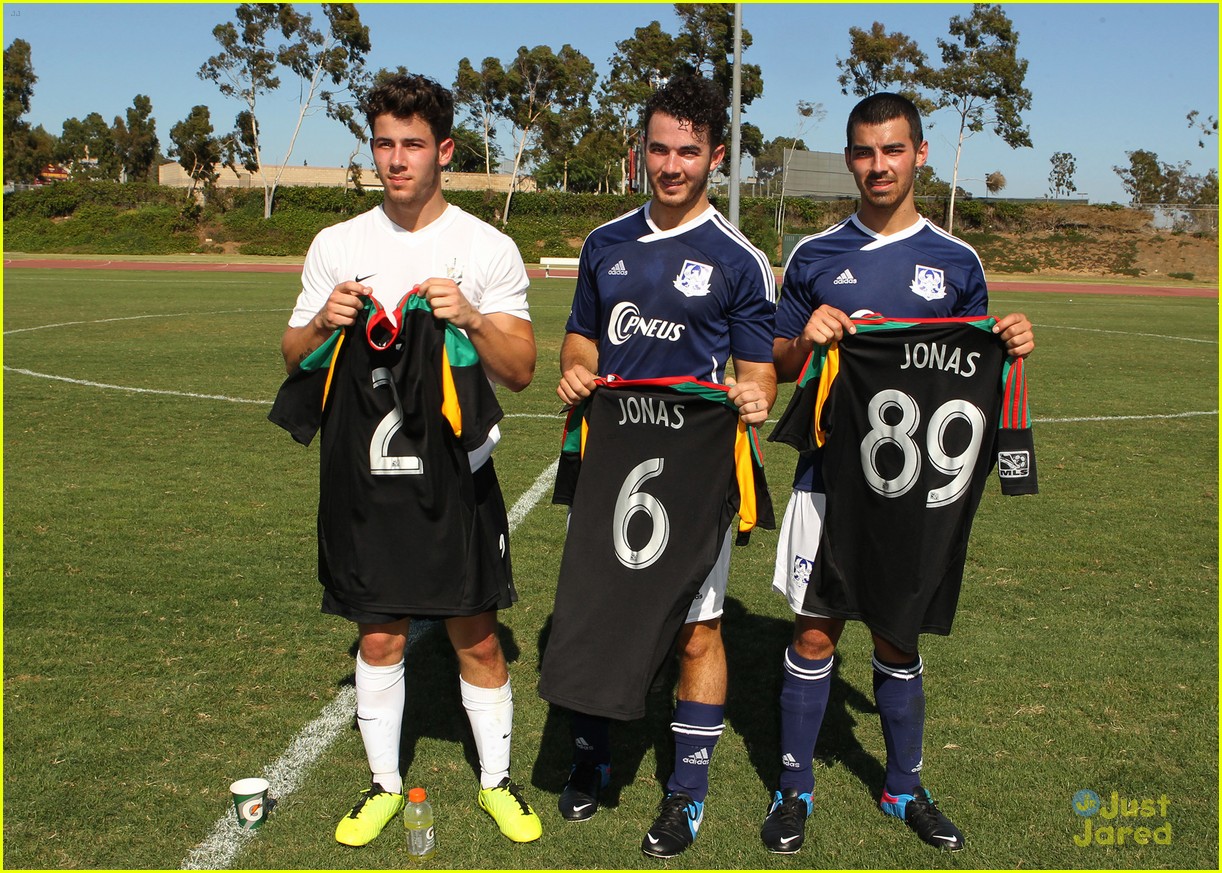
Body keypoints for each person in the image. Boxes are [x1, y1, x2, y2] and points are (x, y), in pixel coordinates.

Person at [759, 92, 1036, 854]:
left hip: (911, 492)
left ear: (918, 153)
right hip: (828, 481)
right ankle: (794, 789)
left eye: (891, 150)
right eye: (863, 151)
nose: (877, 165)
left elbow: (968, 363)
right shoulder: (816, 257)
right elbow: (778, 366)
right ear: (849, 157)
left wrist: (1008, 337)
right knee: (814, 635)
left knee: (897, 638)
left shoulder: (956, 261)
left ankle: (904, 786)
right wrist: (807, 339)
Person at [278, 73, 542, 848]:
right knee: (380, 636)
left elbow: (522, 367)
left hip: (457, 481)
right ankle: (384, 784)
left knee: (479, 636)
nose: (397, 160)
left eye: (413, 145)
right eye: (385, 144)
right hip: (364, 483)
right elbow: (292, 355)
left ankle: (497, 780)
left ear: (444, 152)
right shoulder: (338, 245)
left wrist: (468, 316)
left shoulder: (484, 246)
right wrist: (323, 323)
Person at [546, 74, 777, 859]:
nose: (671, 165)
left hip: (694, 475)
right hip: (611, 462)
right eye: (659, 148)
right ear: (640, 149)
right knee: (596, 610)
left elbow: (759, 369)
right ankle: (590, 757)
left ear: (716, 156)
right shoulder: (605, 244)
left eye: (688, 151)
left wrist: (754, 395)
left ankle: (687, 791)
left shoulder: (741, 260)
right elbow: (582, 340)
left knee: (696, 629)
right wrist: (576, 369)